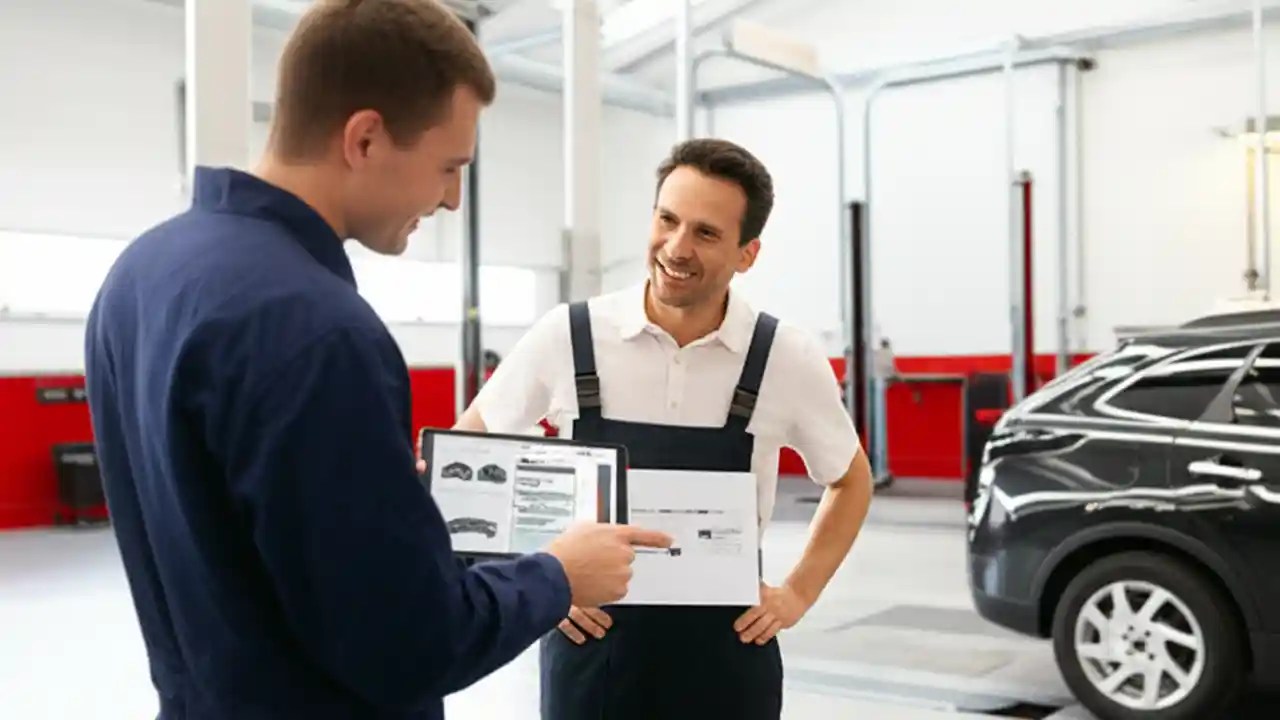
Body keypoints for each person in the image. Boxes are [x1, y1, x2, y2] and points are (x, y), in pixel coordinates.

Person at [82, 2, 669, 718]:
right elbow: (409, 645)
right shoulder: (319, 330)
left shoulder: (143, 271)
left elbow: (234, 514)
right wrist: (557, 576)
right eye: (448, 167)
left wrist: (375, 490)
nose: (452, 200)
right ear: (364, 138)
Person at [452, 138, 875, 719]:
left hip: (727, 663)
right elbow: (471, 448)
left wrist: (798, 592)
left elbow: (851, 480)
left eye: (705, 232)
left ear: (747, 253)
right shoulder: (569, 336)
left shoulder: (784, 356)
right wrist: (532, 571)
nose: (677, 247)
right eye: (667, 219)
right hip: (588, 654)